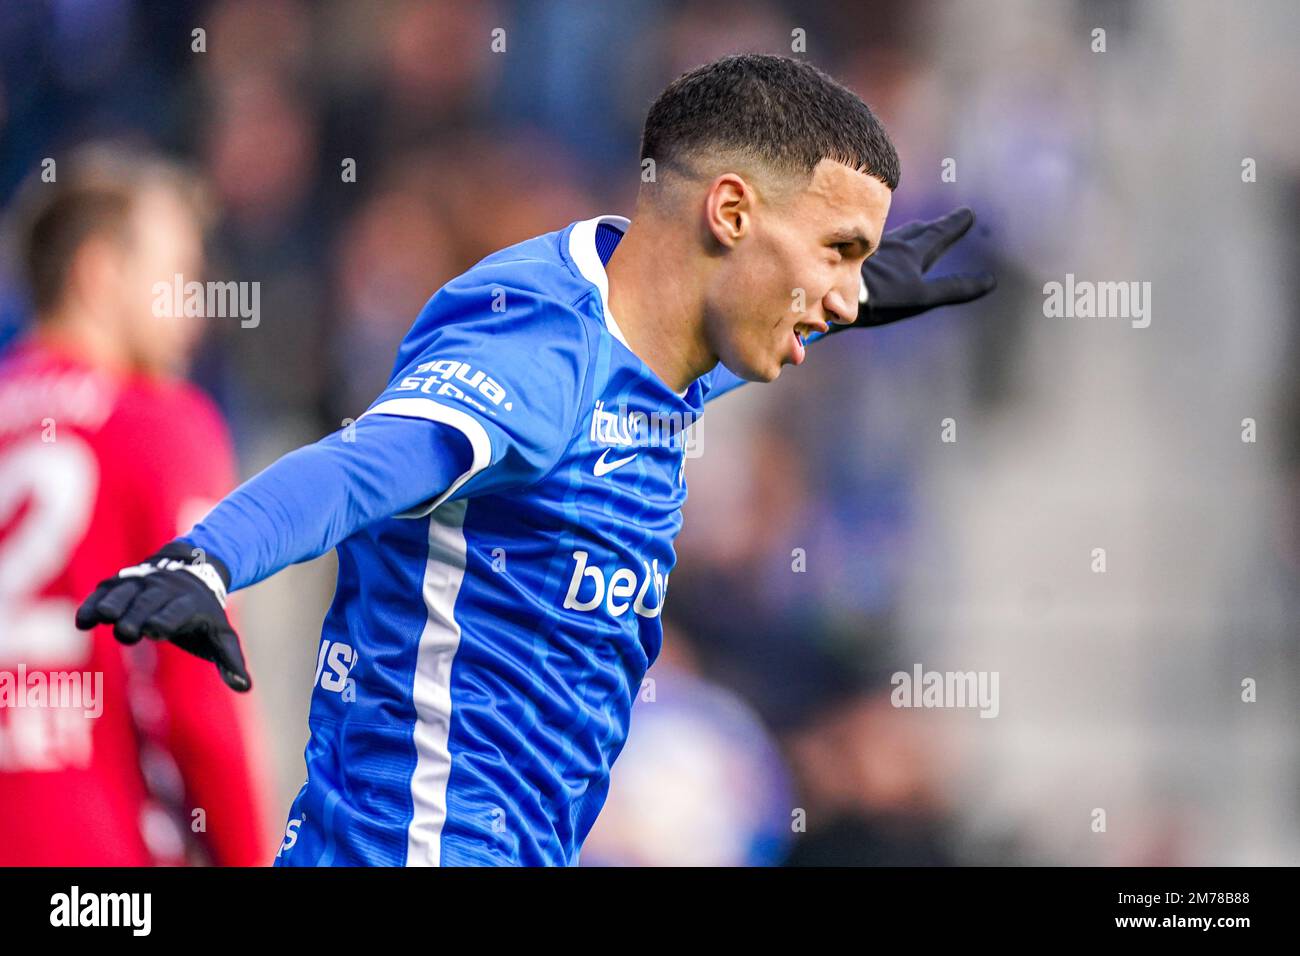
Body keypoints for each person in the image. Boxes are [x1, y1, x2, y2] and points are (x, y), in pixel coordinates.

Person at [76, 54, 995, 866]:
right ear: (730, 211)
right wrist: (207, 557)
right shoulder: (539, 354)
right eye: (838, 252)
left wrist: (848, 297)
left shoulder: (653, 352)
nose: (839, 296)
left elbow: (648, 394)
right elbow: (363, 465)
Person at [0, 146, 274, 866]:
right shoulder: (157, 423)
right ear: (100, 272)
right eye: (177, 277)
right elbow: (199, 700)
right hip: (96, 860)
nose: (197, 307)